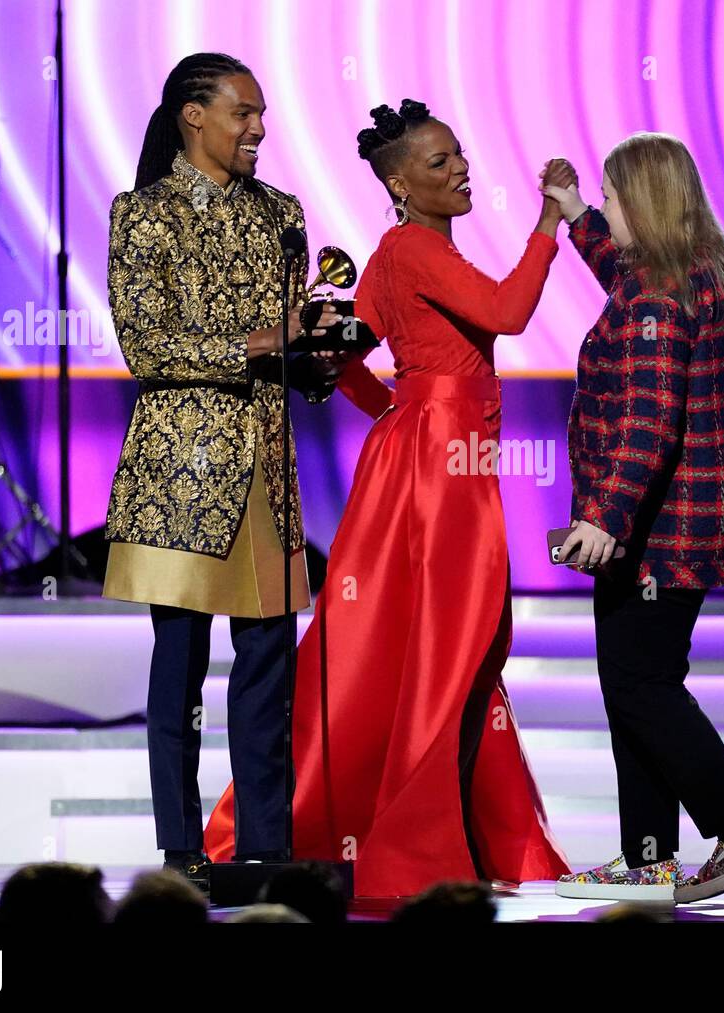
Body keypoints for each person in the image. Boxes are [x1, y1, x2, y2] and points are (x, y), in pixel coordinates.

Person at [205, 99, 570, 896]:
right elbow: (507, 312)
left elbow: (339, 358)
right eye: (438, 163)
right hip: (441, 472)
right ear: (400, 184)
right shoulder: (410, 249)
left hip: (424, 458)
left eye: (459, 155)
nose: (461, 169)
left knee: (426, 649)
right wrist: (550, 222)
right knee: (453, 648)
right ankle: (423, 844)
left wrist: (400, 411)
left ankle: (426, 833)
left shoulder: (392, 254)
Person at [102, 52, 344, 889]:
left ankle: (264, 849)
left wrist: (320, 355)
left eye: (263, 112)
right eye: (243, 111)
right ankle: (179, 851)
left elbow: (289, 348)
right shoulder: (142, 214)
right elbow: (147, 347)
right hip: (180, 470)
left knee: (270, 665)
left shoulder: (282, 212)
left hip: (267, 469)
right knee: (179, 668)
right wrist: (260, 345)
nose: (258, 128)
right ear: (192, 115)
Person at [540, 135, 724, 902]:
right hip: (706, 516)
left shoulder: (656, 299)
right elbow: (626, 273)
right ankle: (648, 859)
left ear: (642, 204)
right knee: (638, 679)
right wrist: (576, 210)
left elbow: (650, 424)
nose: (608, 211)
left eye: (613, 199)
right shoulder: (711, 273)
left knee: (641, 682)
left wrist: (607, 517)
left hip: (659, 526)